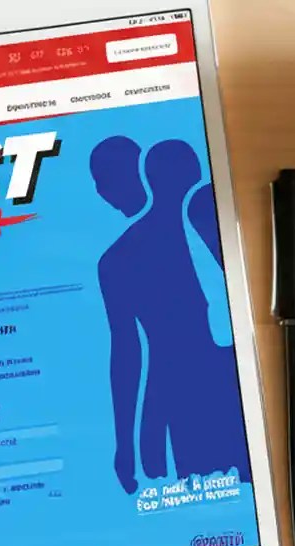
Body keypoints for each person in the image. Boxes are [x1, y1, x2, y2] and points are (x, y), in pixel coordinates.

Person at [90, 137, 250, 494]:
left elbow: (128, 358)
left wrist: (127, 445)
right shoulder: (213, 227)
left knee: (213, 497)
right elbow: (127, 356)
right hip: (221, 383)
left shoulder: (118, 259)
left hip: (180, 398)